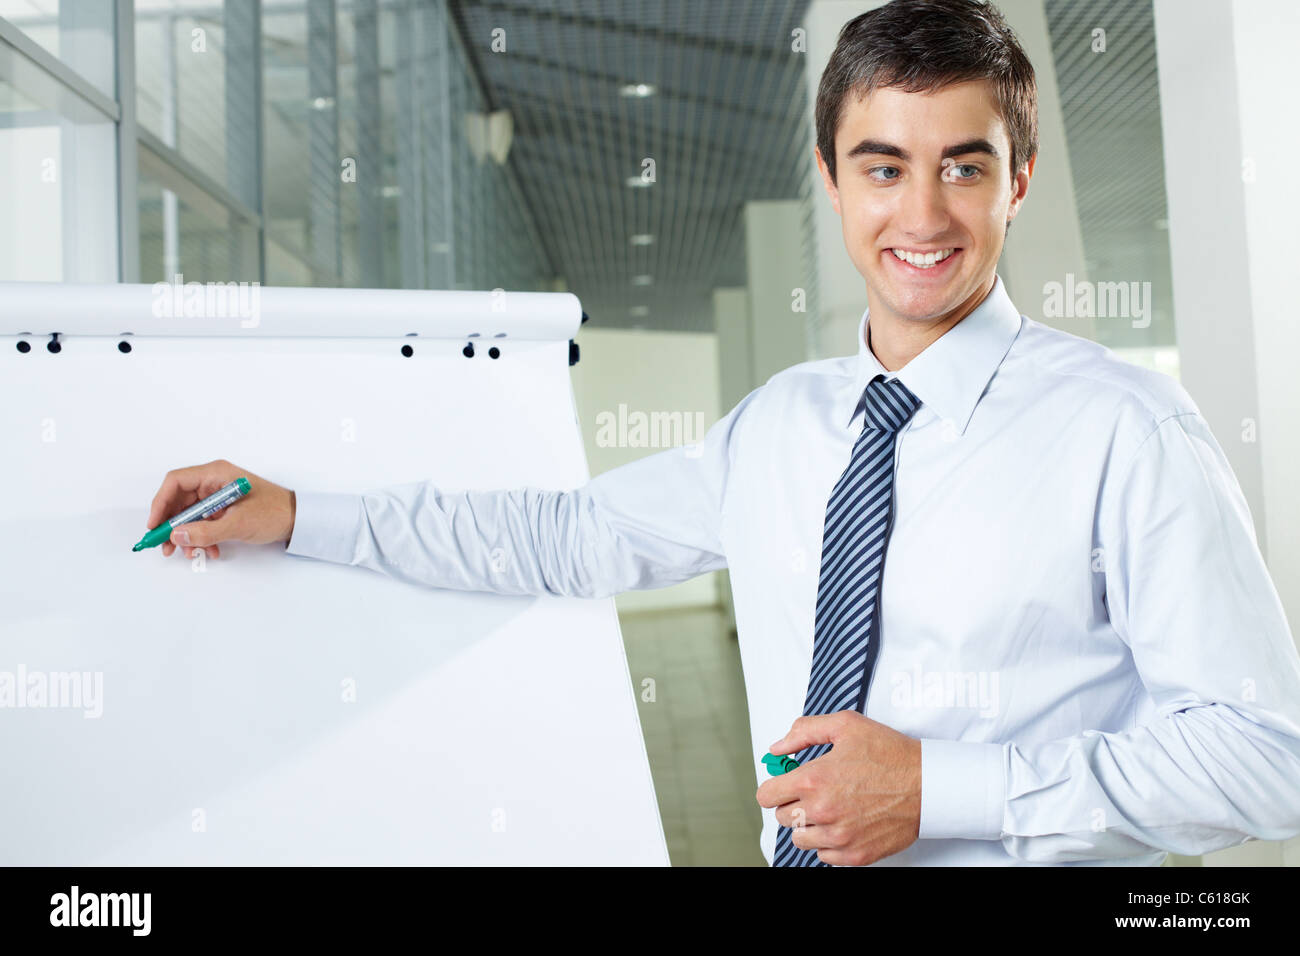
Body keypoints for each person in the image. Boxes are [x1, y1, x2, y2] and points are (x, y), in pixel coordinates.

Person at [146, 0, 1300, 866]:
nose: (922, 214)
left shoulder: (1126, 428)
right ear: (832, 181)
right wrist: (297, 512)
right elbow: (564, 535)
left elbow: (1264, 755)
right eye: (882, 166)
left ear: (1020, 180)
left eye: (964, 166)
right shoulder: (783, 427)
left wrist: (942, 787)